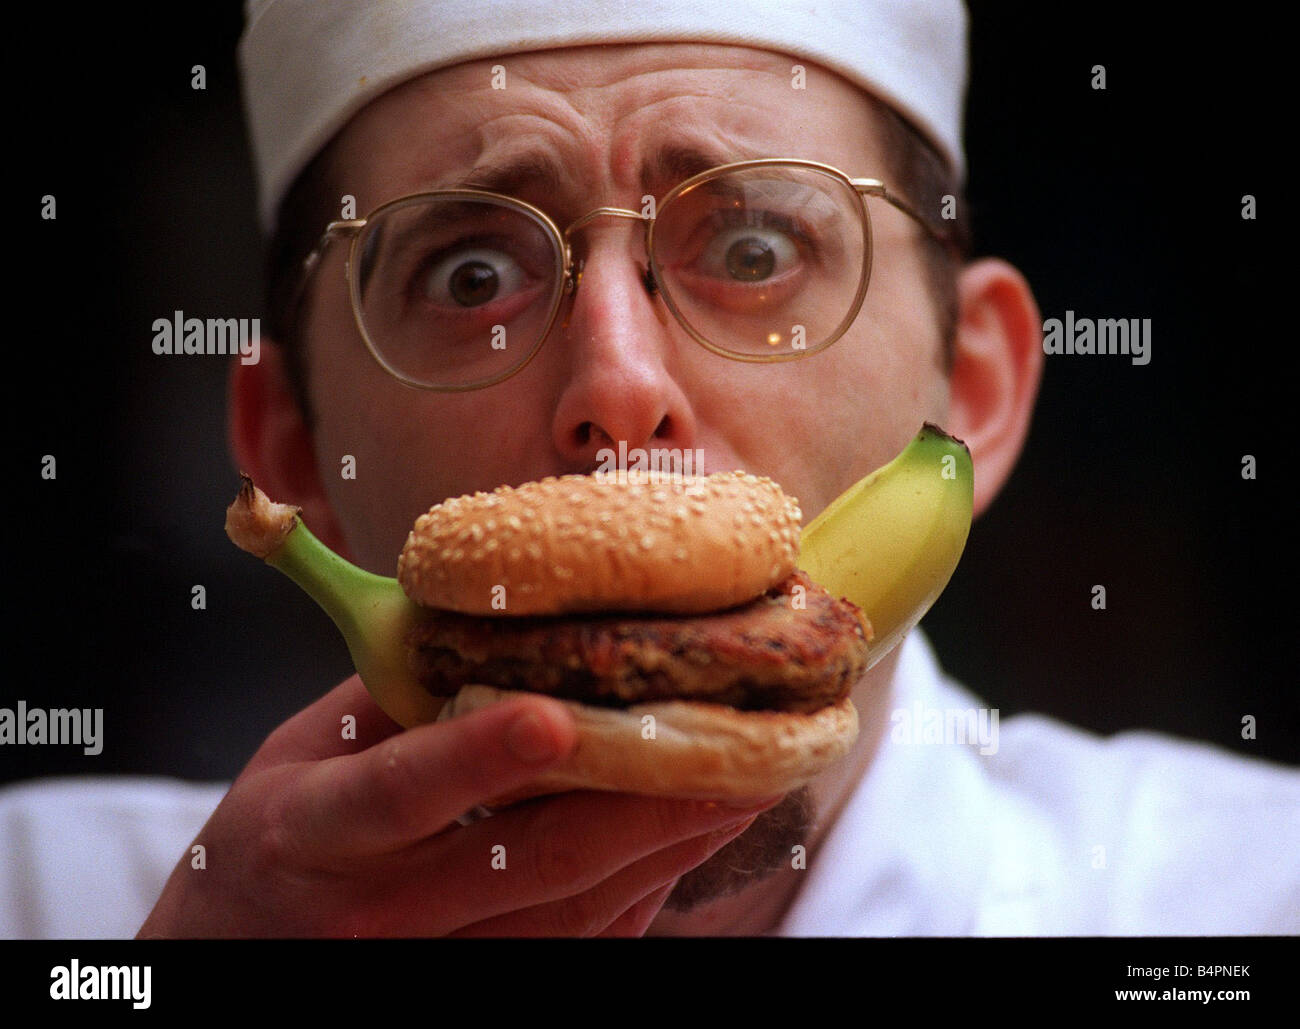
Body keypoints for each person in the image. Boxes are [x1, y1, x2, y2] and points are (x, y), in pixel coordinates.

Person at [4, 0, 1297, 938]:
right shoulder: (50, 903)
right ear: (294, 446)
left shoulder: (1245, 895)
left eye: (749, 251)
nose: (618, 384)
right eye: (474, 277)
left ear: (974, 392)